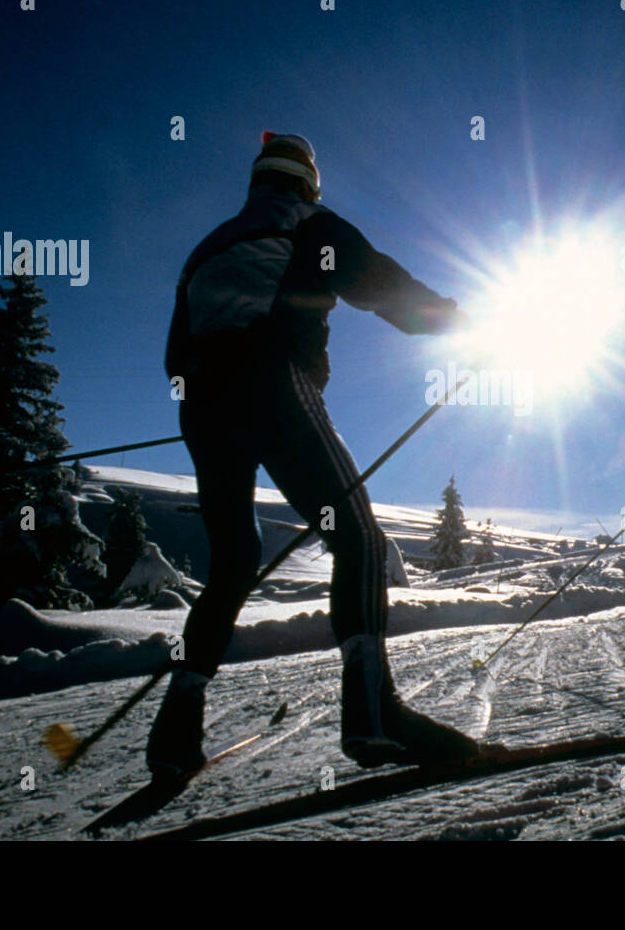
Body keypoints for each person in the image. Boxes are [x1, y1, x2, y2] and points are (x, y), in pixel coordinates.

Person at [152, 130, 477, 778]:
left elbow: (174, 357)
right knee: (356, 537)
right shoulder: (308, 222)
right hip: (277, 384)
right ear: (307, 182)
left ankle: (175, 730)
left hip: (203, 406)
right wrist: (457, 320)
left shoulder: (207, 248)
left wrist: (215, 394)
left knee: (233, 561)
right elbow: (379, 285)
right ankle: (374, 716)